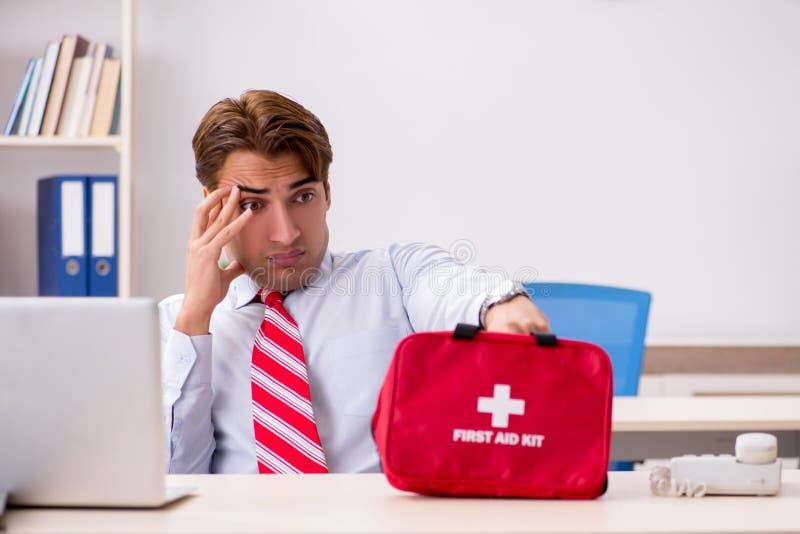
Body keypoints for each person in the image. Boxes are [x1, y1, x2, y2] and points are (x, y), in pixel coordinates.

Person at [160, 90, 550, 474]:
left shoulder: (394, 276)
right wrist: (196, 317)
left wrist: (500, 306)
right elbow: (176, 477)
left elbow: (450, 285)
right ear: (212, 206)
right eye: (252, 205)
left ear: (327, 192)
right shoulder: (174, 326)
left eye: (303, 197)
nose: (286, 233)